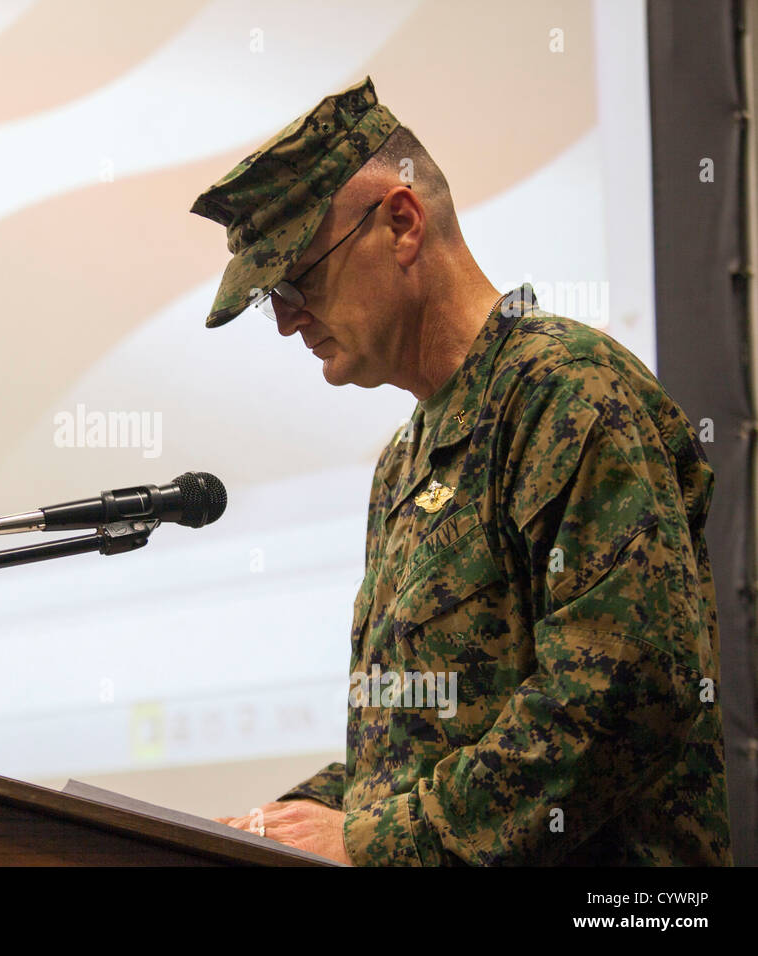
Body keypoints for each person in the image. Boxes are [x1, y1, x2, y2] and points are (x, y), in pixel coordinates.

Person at [192, 76, 731, 865]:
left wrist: (375, 844)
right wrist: (298, 818)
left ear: (402, 223)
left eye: (297, 280)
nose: (284, 321)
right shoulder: (404, 464)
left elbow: (620, 698)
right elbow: (421, 747)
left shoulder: (566, 391)